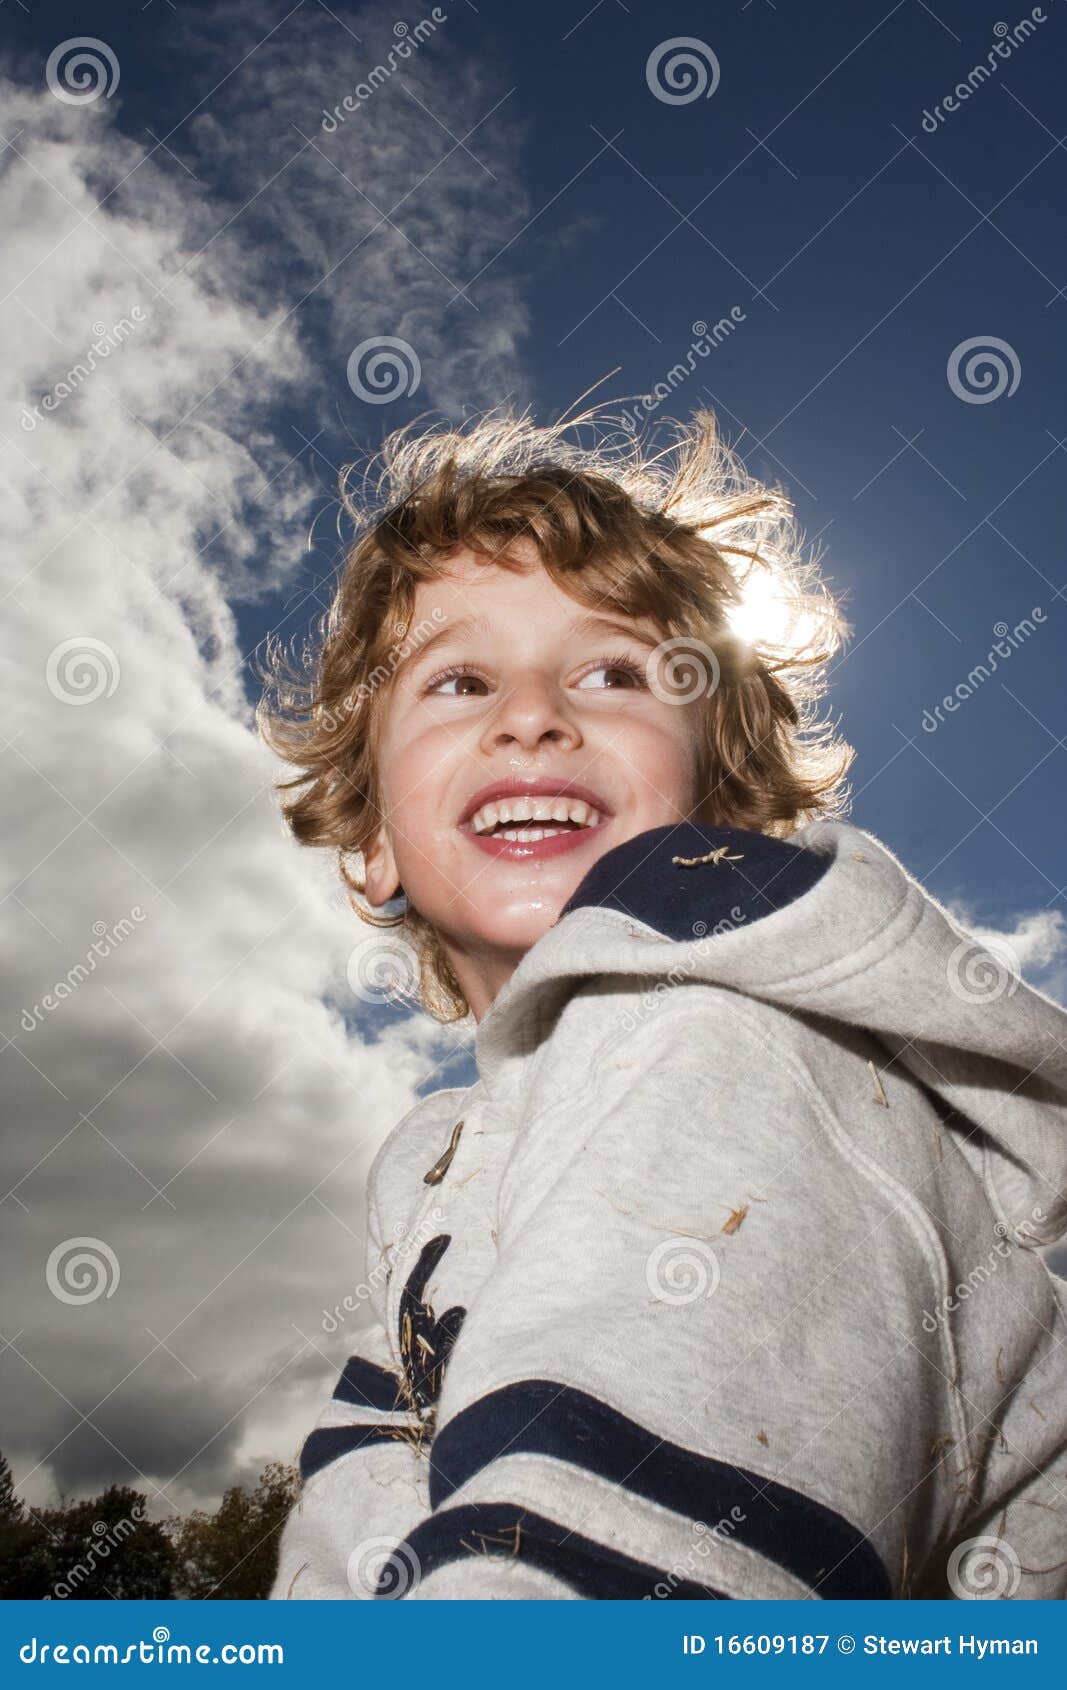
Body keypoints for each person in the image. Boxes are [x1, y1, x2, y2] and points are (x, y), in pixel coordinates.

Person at [257, 405, 1067, 1600]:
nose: (531, 713)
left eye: (612, 673)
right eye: (460, 680)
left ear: (722, 814)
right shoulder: (426, 1166)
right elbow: (350, 1541)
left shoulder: (734, 1041)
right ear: (372, 838)